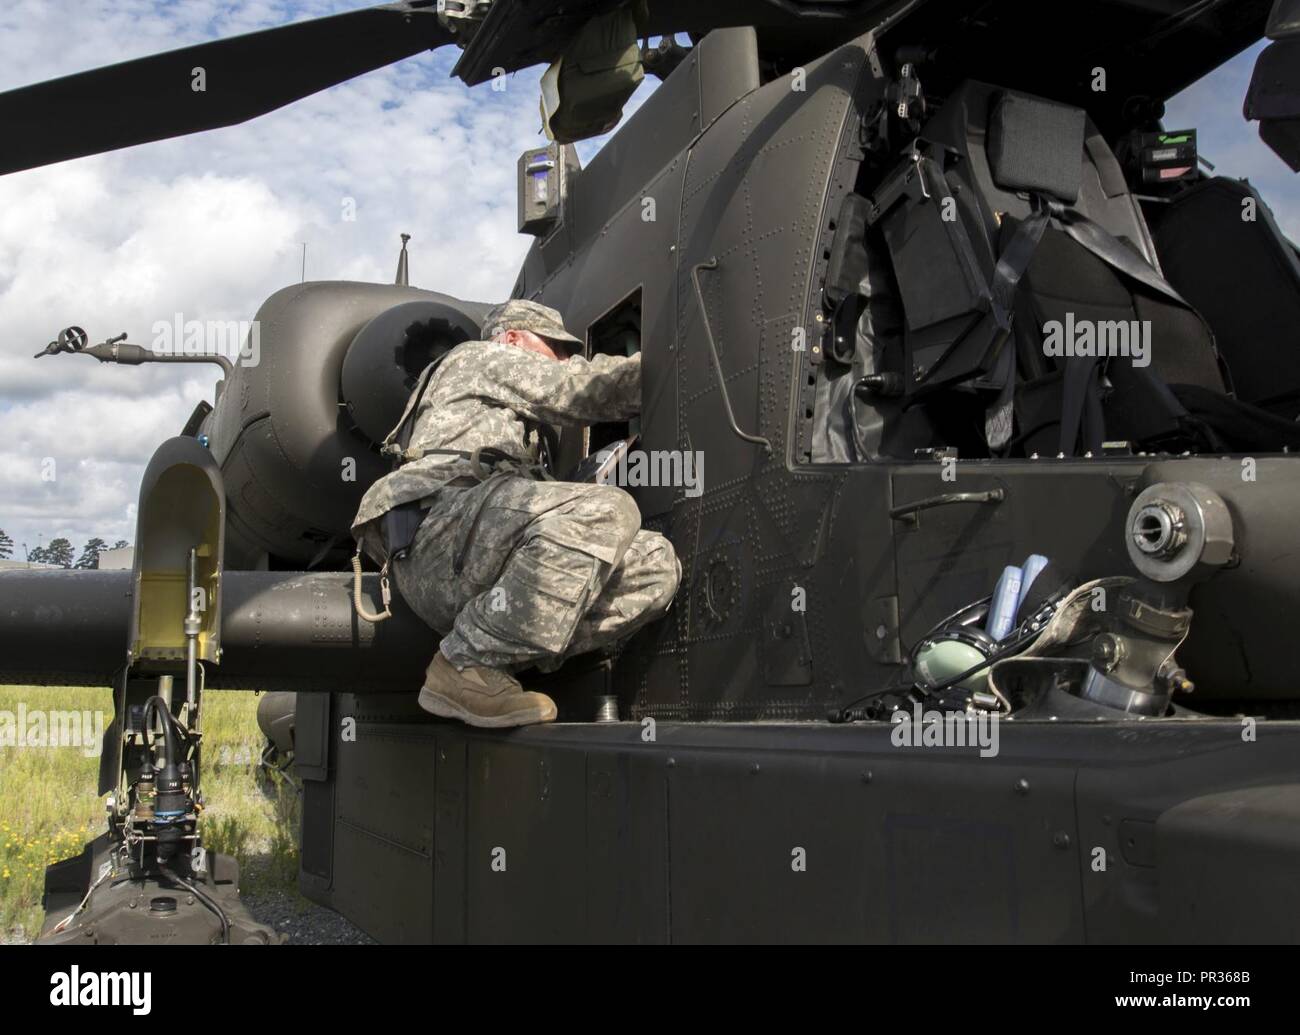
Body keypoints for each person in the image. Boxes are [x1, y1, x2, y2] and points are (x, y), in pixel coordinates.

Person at [351, 300, 680, 728]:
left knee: (655, 568)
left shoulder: (509, 420)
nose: (565, 359)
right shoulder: (479, 357)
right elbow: (579, 386)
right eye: (555, 348)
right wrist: (673, 361)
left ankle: (501, 654)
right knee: (607, 511)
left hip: (483, 568)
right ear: (512, 338)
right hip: (441, 533)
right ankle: (466, 661)